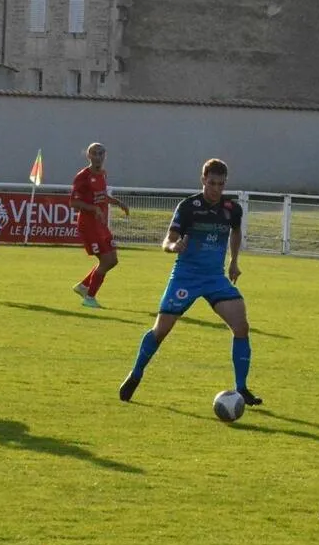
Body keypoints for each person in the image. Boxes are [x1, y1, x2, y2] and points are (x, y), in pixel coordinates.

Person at [119, 158, 262, 406]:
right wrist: (175, 246)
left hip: (215, 277)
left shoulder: (231, 209)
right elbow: (166, 241)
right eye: (211, 183)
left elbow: (236, 231)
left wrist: (234, 260)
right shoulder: (188, 207)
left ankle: (242, 389)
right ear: (203, 180)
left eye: (220, 183)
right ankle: (136, 373)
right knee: (160, 331)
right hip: (186, 277)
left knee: (241, 326)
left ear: (225, 182)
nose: (215, 188)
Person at [70, 143, 130, 309]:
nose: (98, 156)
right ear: (88, 156)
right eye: (94, 153)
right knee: (106, 260)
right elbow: (73, 202)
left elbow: (102, 196)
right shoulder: (83, 176)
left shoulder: (102, 174)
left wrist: (117, 202)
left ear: (105, 155)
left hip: (100, 224)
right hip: (89, 225)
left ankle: (83, 286)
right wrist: (93, 208)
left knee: (113, 260)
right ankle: (89, 297)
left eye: (101, 153)